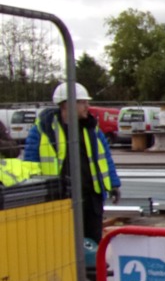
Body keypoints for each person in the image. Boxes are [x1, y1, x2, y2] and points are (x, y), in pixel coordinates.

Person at [22, 82, 121, 243]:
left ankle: (91, 269)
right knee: (64, 245)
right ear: (67, 104)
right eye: (82, 102)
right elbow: (30, 163)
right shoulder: (43, 130)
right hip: (59, 199)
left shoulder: (91, 128)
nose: (87, 106)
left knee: (92, 242)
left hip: (91, 198)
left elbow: (105, 158)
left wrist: (114, 184)